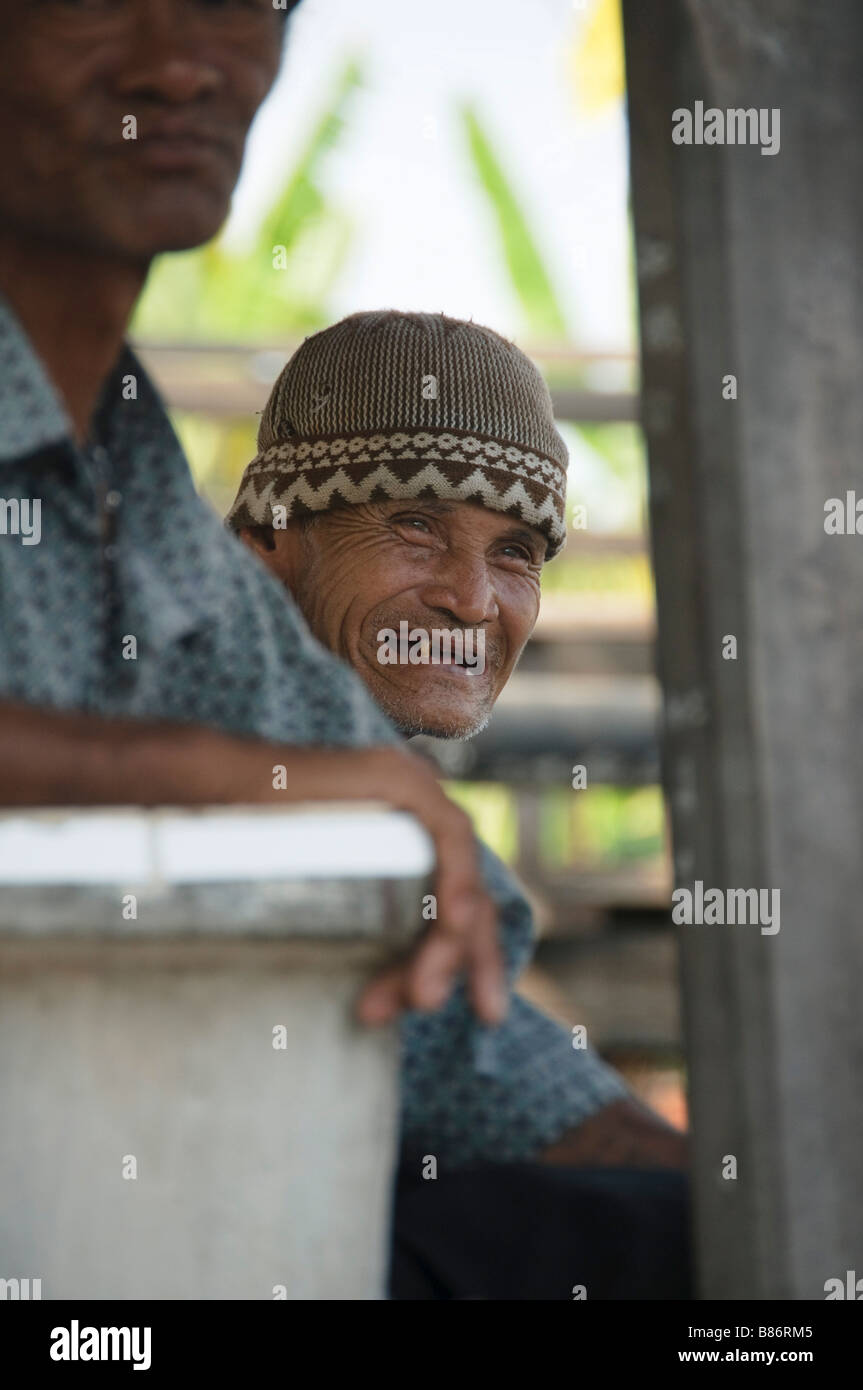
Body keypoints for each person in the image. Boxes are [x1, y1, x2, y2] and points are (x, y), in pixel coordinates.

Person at [0, 0, 689, 1297]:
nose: (180, 63)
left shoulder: (186, 577)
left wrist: (772, 1222)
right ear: (273, 539)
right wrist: (252, 783)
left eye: (236, 4)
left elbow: (472, 1057)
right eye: (412, 530)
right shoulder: (277, 713)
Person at [228, 310, 692, 1299]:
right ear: (269, 537)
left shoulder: (370, 777)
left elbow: (501, 1077)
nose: (471, 598)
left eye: (516, 550)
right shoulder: (221, 719)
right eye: (412, 525)